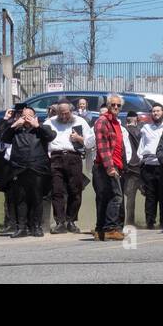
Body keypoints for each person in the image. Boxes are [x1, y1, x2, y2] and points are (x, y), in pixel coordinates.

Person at [1, 105, 55, 238]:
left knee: (37, 198)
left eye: (28, 116)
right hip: (19, 168)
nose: (26, 119)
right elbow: (3, 138)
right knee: (20, 199)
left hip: (37, 168)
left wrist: (37, 125)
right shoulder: (16, 130)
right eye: (23, 116)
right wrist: (14, 125)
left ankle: (36, 227)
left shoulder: (42, 128)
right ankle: (22, 228)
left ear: (35, 117)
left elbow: (51, 136)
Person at [44, 100, 93, 234]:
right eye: (61, 114)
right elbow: (43, 141)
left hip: (74, 157)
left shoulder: (80, 122)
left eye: (66, 113)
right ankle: (60, 222)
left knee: (75, 190)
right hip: (56, 158)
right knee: (57, 191)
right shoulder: (49, 122)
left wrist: (78, 138)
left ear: (71, 111)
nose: (64, 117)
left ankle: (71, 220)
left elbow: (90, 142)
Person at [91, 94, 128, 240]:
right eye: (113, 105)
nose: (116, 107)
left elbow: (119, 146)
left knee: (106, 198)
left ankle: (101, 230)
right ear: (108, 105)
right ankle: (109, 229)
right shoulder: (102, 121)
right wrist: (110, 167)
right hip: (106, 166)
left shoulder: (116, 123)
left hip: (116, 165)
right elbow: (103, 147)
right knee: (116, 197)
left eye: (118, 105)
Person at [137, 103, 163, 229]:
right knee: (150, 195)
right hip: (148, 165)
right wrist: (140, 161)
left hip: (162, 165)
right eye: (153, 111)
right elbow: (142, 146)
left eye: (158, 111)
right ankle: (150, 222)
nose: (155, 113)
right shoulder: (146, 128)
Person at [122, 112, 144, 228]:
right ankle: (151, 220)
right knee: (151, 195)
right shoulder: (140, 131)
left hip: (129, 166)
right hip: (139, 167)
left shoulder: (123, 130)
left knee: (130, 196)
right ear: (137, 119)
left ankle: (130, 221)